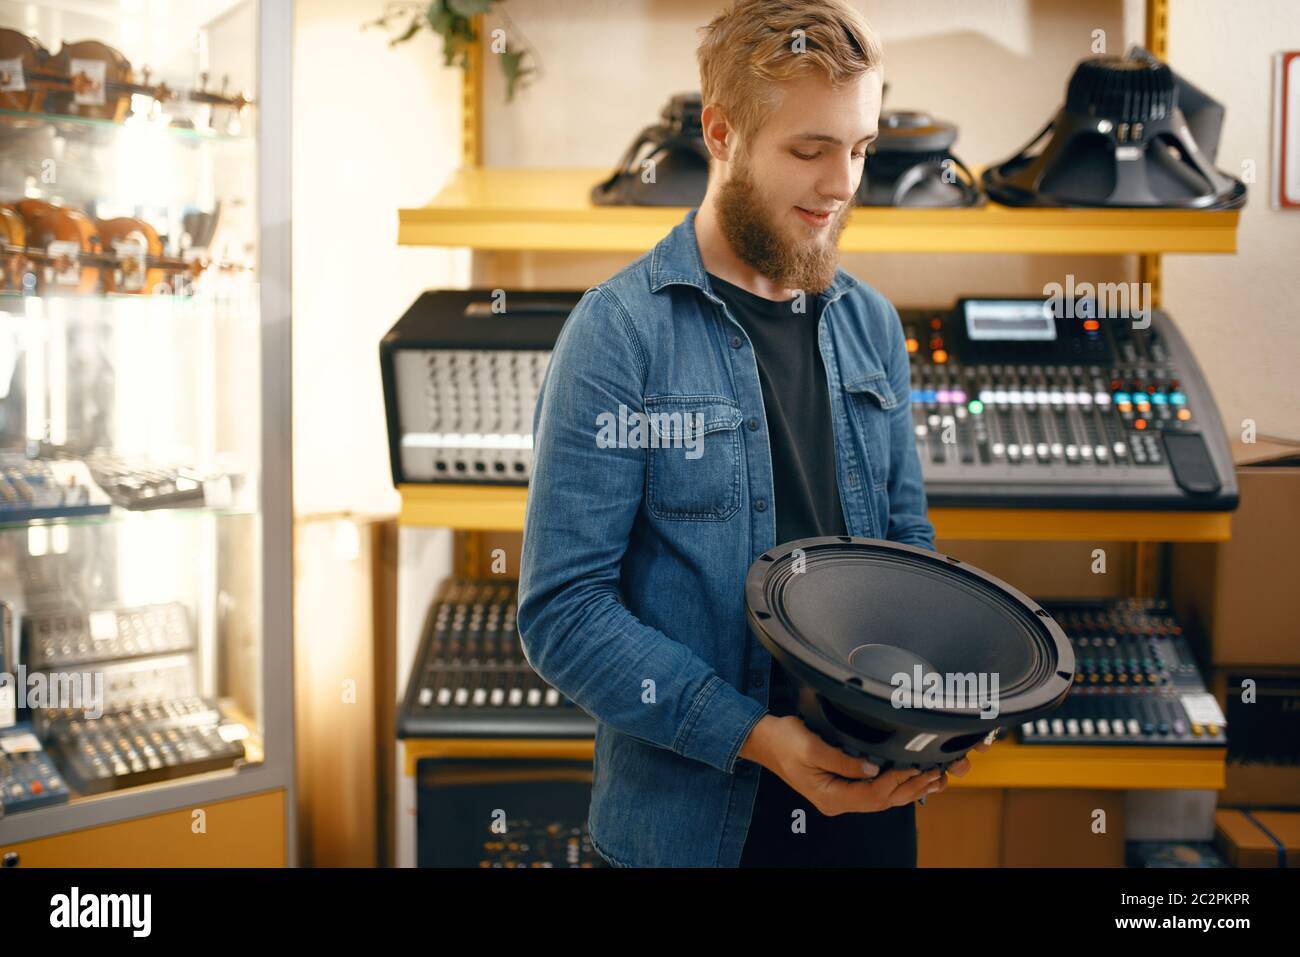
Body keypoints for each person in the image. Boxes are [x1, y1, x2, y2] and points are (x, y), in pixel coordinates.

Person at [517, 0, 988, 868]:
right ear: (722, 133)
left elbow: (907, 549)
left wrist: (939, 705)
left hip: (870, 821)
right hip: (695, 829)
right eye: (809, 151)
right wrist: (758, 738)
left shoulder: (874, 326)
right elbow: (564, 615)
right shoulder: (617, 335)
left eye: (859, 149)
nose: (843, 184)